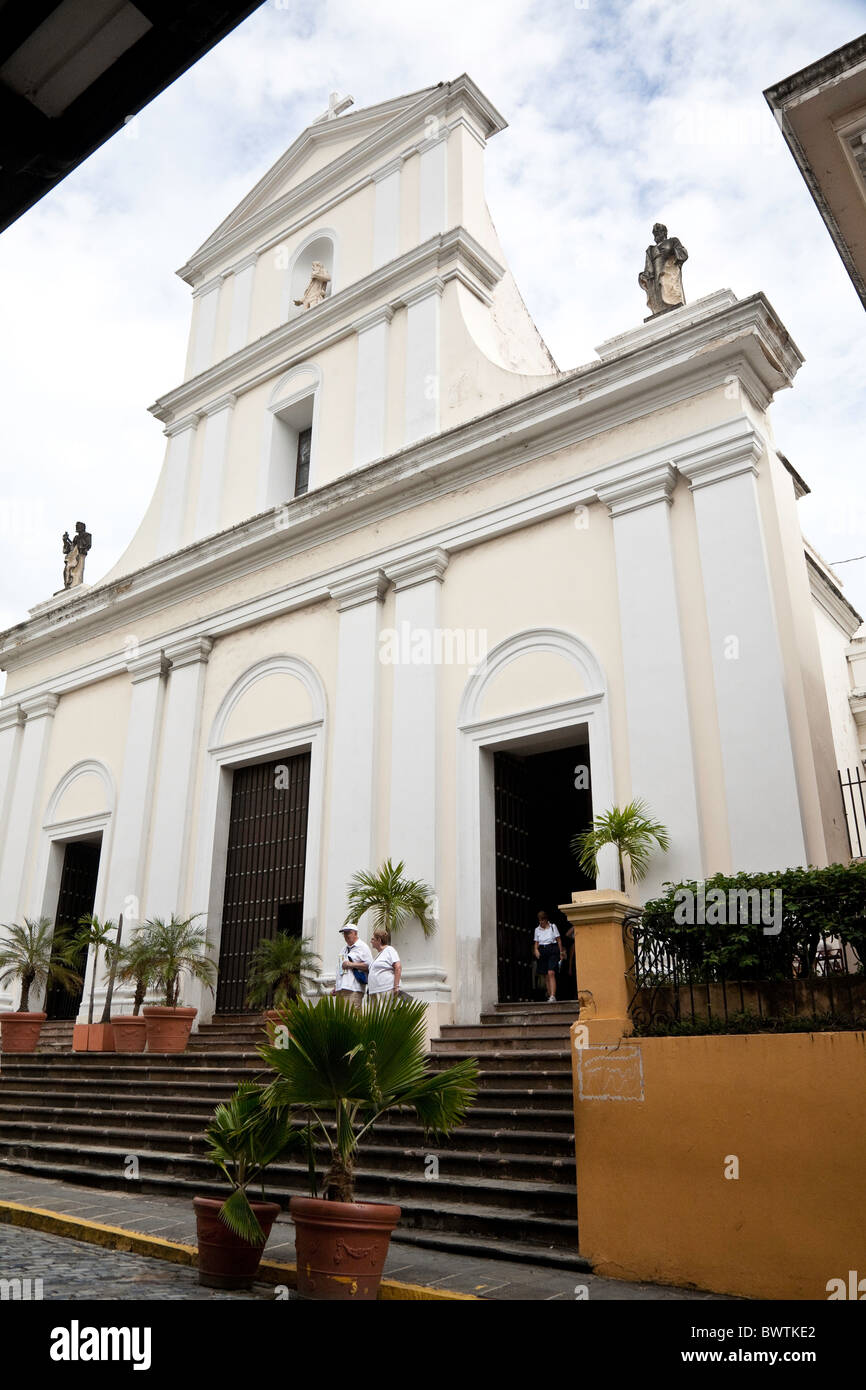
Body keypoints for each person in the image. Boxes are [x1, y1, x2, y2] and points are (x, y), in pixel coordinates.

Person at [332, 924, 372, 1009]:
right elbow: (340, 969)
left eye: (348, 933)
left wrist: (351, 964)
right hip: (341, 988)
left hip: (354, 989)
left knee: (353, 1017)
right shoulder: (343, 949)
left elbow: (370, 966)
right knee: (341, 1019)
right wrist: (336, 986)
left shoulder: (363, 947)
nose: (346, 936)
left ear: (355, 933)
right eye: (344, 933)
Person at [533, 910, 566, 1002]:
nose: (541, 922)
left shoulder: (553, 927)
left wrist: (561, 952)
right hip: (542, 950)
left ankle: (552, 995)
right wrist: (536, 950)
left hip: (552, 949)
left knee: (551, 972)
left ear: (546, 919)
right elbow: (536, 943)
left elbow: (559, 940)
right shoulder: (537, 929)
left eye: (542, 920)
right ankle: (549, 995)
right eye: (539, 920)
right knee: (546, 975)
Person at [366, 929, 402, 1004]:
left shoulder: (389, 950)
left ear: (379, 940)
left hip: (386, 989)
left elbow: (398, 967)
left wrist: (396, 987)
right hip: (376, 991)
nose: (371, 941)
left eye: (373, 939)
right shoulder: (379, 954)